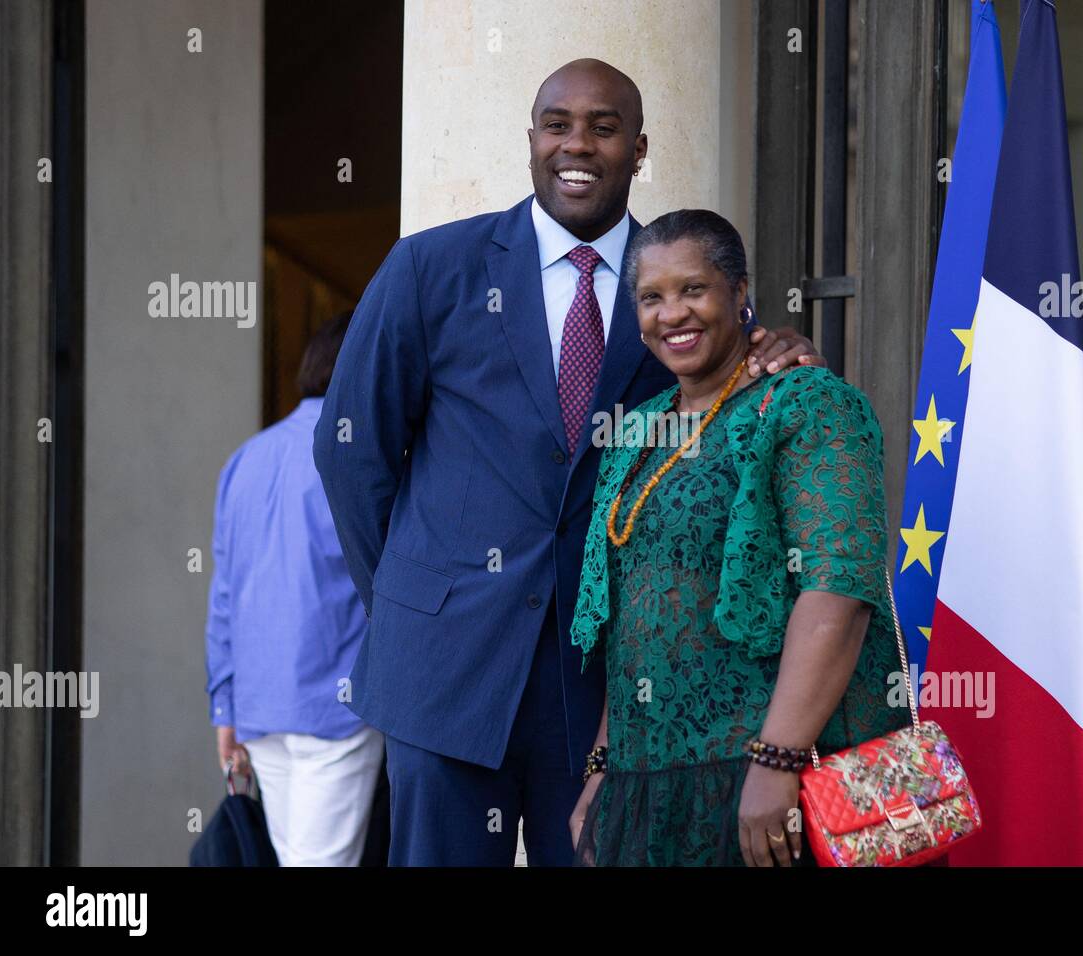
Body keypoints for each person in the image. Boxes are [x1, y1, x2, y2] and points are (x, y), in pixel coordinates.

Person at [312, 59, 820, 867]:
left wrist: (783, 349)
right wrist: (413, 602)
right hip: (444, 676)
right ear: (532, 140)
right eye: (558, 124)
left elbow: (739, 382)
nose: (576, 144)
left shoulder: (669, 290)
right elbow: (351, 454)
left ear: (639, 148)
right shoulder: (429, 269)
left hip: (607, 687)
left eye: (604, 127)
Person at [567, 210, 905, 866]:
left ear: (739, 291)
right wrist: (602, 766)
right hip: (647, 790)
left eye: (693, 289)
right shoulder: (634, 431)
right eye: (651, 297)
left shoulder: (806, 403)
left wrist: (777, 761)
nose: (672, 314)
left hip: (767, 781)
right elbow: (633, 620)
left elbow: (840, 589)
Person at [205, 310, 384, 867]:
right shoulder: (356, 455)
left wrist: (225, 708)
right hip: (335, 708)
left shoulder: (245, 459)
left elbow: (224, 598)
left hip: (261, 706)